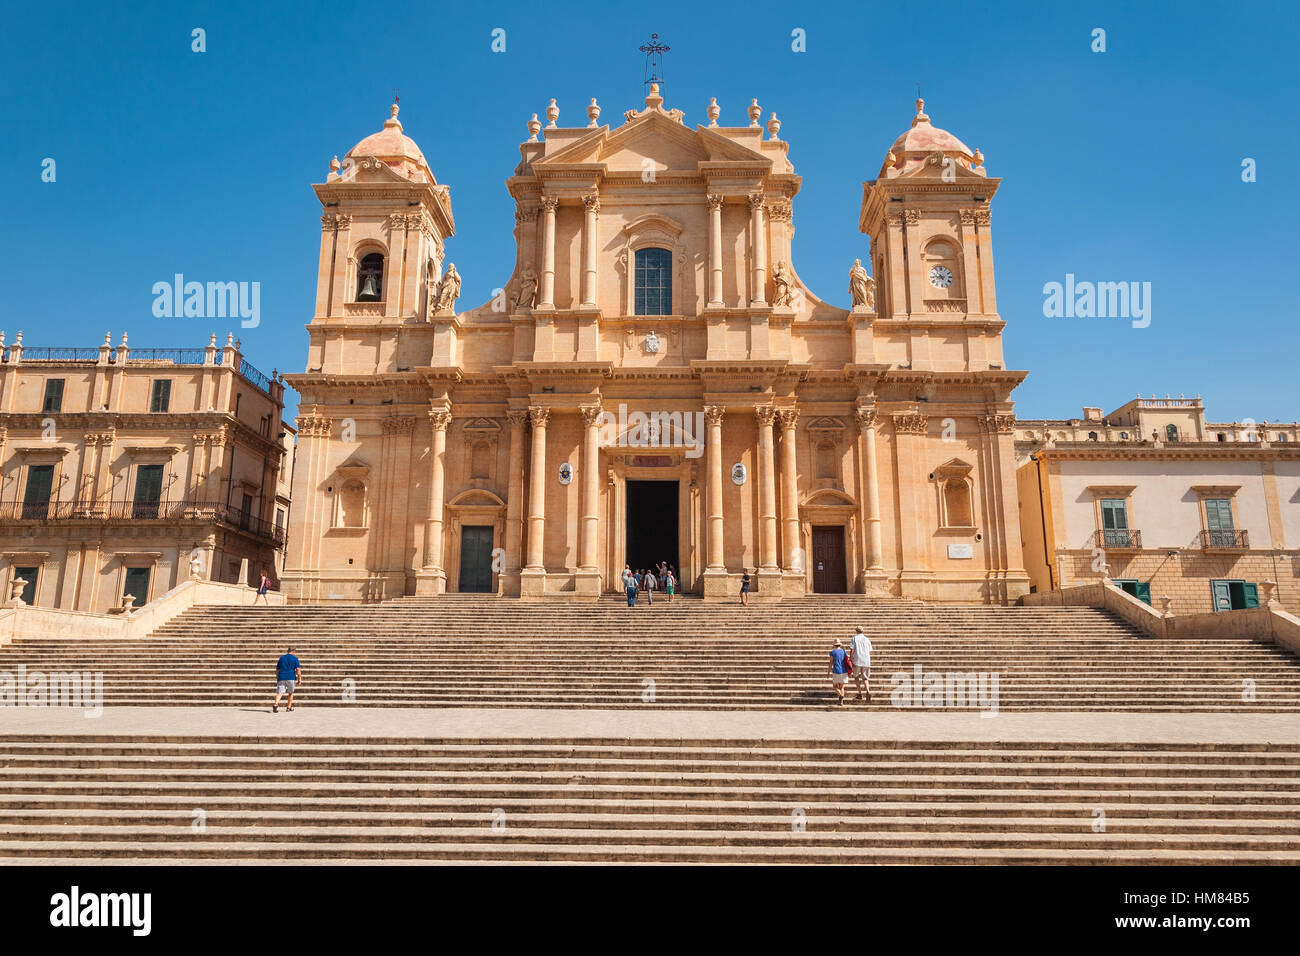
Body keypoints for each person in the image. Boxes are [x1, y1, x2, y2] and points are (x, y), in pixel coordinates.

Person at [273, 646, 301, 713]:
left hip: (281, 677)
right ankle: (288, 707)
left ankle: (275, 704)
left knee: (280, 692)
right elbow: (298, 670)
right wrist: (299, 679)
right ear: (293, 651)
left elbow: (277, 669)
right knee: (290, 693)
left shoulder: (282, 658)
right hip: (291, 677)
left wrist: (277, 676)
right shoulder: (295, 658)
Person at [849, 625, 872, 703]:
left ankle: (860, 693)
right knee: (865, 678)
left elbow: (852, 650)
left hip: (857, 660)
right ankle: (868, 691)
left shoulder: (854, 638)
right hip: (866, 660)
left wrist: (851, 659)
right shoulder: (867, 639)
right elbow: (869, 650)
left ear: (856, 631)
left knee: (856, 677)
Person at [827, 638, 849, 706]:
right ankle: (841, 701)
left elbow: (831, 663)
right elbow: (847, 661)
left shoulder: (832, 652)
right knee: (842, 687)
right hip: (844, 671)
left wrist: (828, 672)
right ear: (840, 644)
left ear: (834, 645)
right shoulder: (844, 652)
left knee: (834, 686)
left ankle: (840, 695)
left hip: (836, 670)